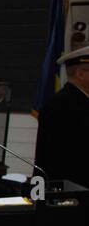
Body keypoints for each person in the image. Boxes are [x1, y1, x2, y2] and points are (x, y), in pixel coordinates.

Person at [34, 45, 89, 189]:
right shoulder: (61, 105)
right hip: (69, 192)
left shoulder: (80, 101)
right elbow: (64, 157)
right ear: (81, 74)